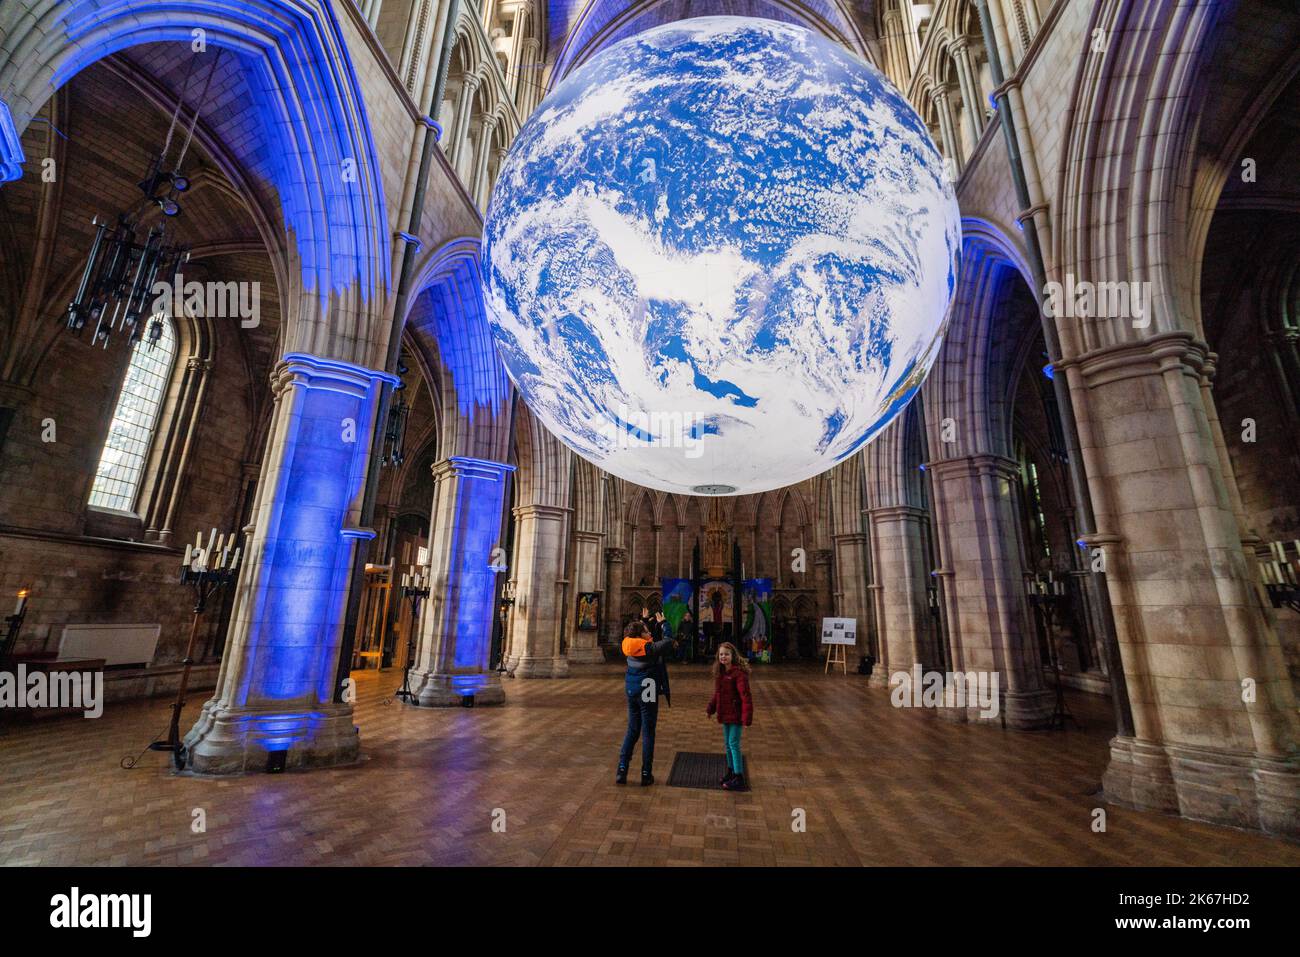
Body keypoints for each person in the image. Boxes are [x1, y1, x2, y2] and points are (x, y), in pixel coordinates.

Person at [617, 619, 676, 786]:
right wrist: (665, 623)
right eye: (647, 631)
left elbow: (646, 640)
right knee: (648, 731)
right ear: (640, 635)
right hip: (647, 689)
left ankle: (622, 769)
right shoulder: (649, 649)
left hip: (631, 688)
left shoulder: (628, 645)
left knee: (632, 729)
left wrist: (643, 621)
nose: (650, 633)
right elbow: (668, 641)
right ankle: (646, 772)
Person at [706, 641, 753, 791]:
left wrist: (747, 717)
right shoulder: (720, 674)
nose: (723, 657)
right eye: (721, 654)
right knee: (727, 744)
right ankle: (731, 771)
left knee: (733, 743)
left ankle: (739, 777)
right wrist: (710, 708)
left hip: (736, 715)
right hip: (725, 713)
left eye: (726, 654)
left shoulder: (738, 674)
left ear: (733, 655)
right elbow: (717, 694)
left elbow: (746, 696)